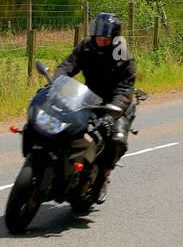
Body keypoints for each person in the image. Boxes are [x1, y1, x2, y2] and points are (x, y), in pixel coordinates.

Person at [52, 11, 136, 201]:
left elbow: (124, 90)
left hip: (115, 105)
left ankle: (103, 174)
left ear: (114, 38)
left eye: (106, 39)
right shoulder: (86, 47)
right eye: (99, 37)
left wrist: (110, 116)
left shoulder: (123, 56)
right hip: (88, 98)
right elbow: (68, 65)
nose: (101, 42)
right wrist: (56, 83)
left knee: (117, 138)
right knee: (66, 125)